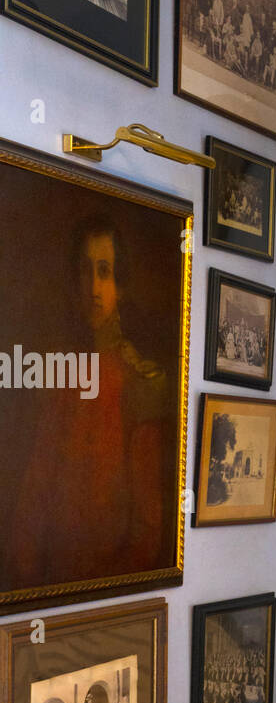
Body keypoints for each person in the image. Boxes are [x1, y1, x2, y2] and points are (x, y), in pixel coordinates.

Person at [9, 217, 169, 591]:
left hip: (105, 590)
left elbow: (147, 533)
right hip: (48, 588)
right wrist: (26, 581)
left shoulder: (140, 381)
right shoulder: (63, 374)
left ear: (121, 286)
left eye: (105, 272)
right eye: (85, 271)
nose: (93, 287)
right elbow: (35, 493)